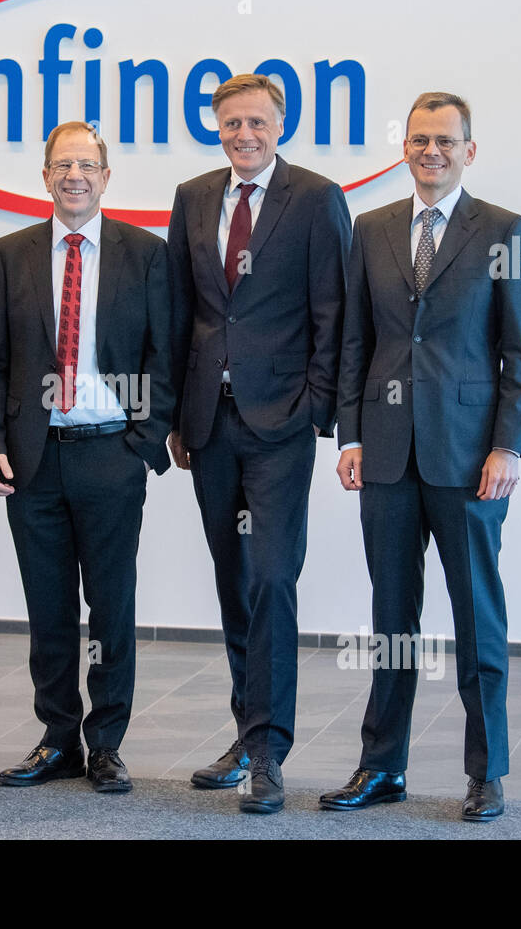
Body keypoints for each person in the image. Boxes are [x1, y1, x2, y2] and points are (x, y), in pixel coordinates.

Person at [320, 92, 521, 821]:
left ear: (468, 150)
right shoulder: (372, 227)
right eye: (420, 139)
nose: (432, 151)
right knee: (391, 619)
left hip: (470, 457)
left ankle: (487, 774)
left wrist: (508, 443)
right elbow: (356, 340)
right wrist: (348, 434)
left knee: (477, 618)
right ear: (404, 147)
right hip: (385, 454)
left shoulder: (504, 229)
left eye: (446, 140)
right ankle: (382, 765)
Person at [167, 74, 350, 814]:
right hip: (210, 421)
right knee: (234, 578)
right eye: (231, 122)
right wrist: (178, 415)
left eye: (257, 122)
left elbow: (333, 310)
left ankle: (269, 751)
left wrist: (316, 409)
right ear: (217, 127)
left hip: (281, 423)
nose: (244, 133)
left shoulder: (314, 197)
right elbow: (183, 310)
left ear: (282, 124)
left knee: (273, 576)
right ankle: (247, 731)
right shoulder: (193, 196)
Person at [0, 121, 172, 794]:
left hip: (110, 454)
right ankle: (58, 738)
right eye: (62, 165)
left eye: (87, 165)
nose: (75, 176)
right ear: (46, 176)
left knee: (110, 606)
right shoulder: (11, 253)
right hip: (33, 460)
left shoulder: (144, 253)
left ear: (107, 176)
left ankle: (106, 743)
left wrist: (142, 443)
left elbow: (163, 357)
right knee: (49, 607)